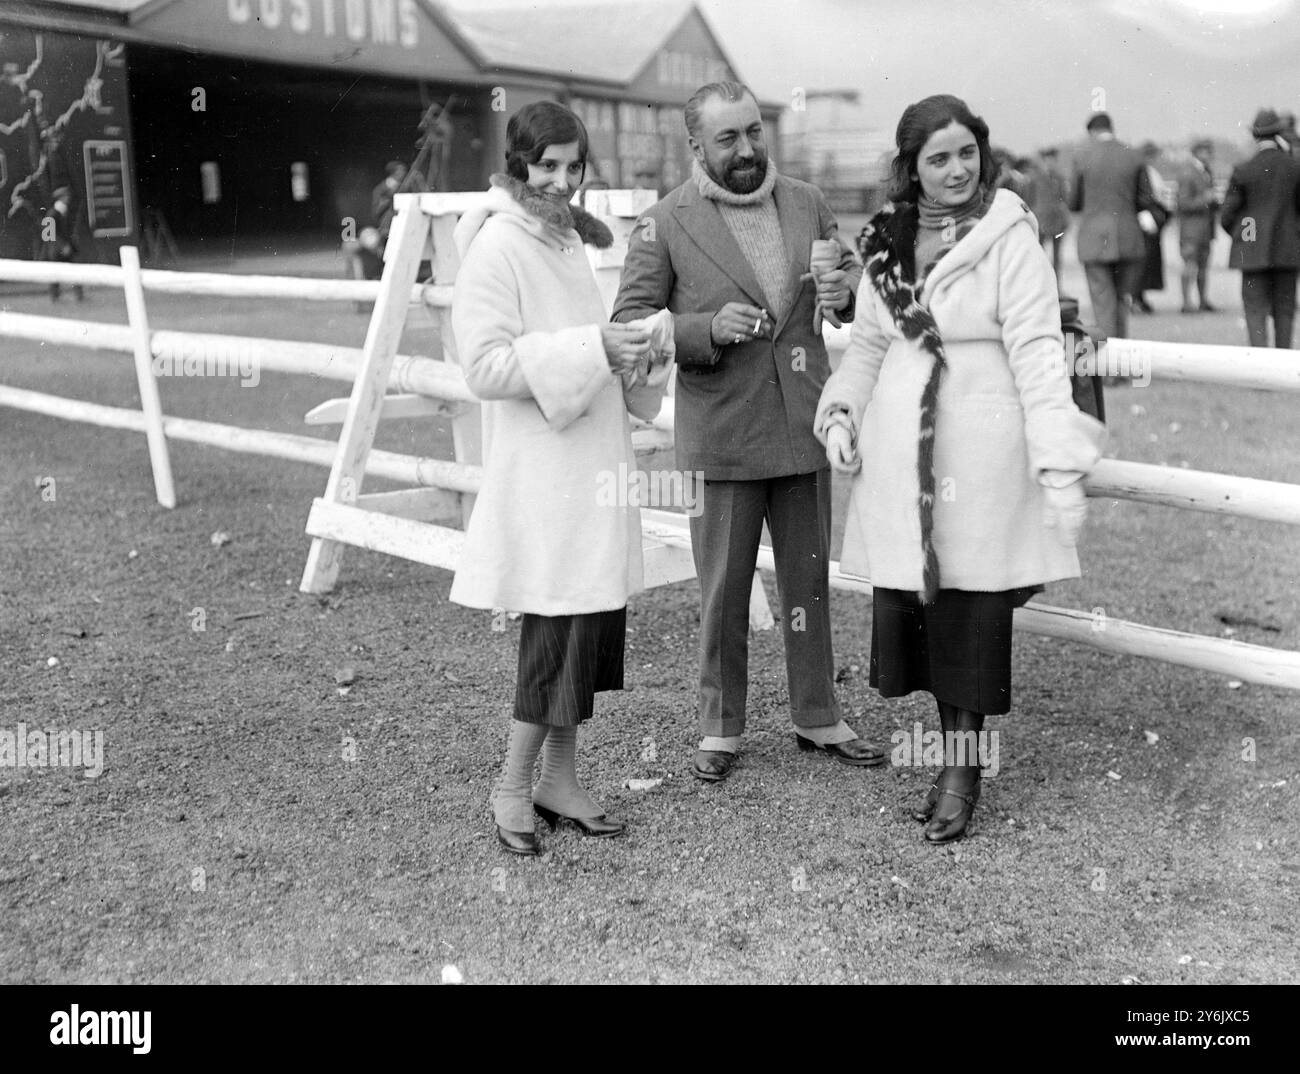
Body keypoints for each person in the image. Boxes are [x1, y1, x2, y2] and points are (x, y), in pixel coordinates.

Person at [814, 94, 1106, 843]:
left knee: (971, 615)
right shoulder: (887, 239)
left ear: (983, 152)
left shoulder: (1010, 235)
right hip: (902, 457)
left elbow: (1041, 351)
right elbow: (872, 347)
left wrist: (1057, 456)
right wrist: (842, 410)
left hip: (981, 451)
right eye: (936, 159)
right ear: (911, 167)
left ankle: (961, 772)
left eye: (965, 153)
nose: (954, 170)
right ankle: (950, 756)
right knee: (925, 616)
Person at [613, 80, 886, 782]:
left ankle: (817, 715)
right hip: (724, 438)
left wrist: (844, 294)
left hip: (803, 427)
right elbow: (629, 324)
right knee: (723, 593)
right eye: (727, 137)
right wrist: (701, 329)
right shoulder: (664, 221)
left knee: (809, 587)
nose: (745, 149)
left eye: (753, 132)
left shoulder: (806, 201)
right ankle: (720, 728)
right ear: (696, 145)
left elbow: (850, 280)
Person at [448, 102, 671, 855]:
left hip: (592, 468)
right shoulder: (496, 246)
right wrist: (589, 347)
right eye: (548, 166)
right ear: (518, 164)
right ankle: (510, 786)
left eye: (574, 166)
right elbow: (483, 366)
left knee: (592, 623)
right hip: (545, 474)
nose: (564, 180)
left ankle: (560, 780)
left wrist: (634, 353)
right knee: (554, 625)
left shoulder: (569, 241)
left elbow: (589, 352)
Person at [1068, 112, 1161, 342]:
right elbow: (1146, 199)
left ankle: (1109, 369)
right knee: (1121, 300)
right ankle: (1120, 362)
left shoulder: (1082, 156)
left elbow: (1074, 203)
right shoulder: (1134, 155)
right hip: (1128, 237)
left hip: (1094, 238)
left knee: (1102, 302)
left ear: (1091, 132)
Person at [1220, 108, 1300, 348]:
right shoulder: (1295, 168)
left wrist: (1247, 235)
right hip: (1288, 251)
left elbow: (1227, 216)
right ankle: (1283, 367)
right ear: (1278, 134)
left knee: (1255, 311)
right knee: (1285, 311)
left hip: (1252, 252)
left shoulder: (1243, 170)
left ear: (1255, 136)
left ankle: (1259, 368)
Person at [1177, 138, 1219, 313]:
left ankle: (1202, 300)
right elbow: (1183, 203)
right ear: (1197, 152)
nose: (1209, 154)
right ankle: (1187, 302)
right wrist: (1206, 200)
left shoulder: (1205, 171)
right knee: (1190, 265)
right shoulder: (1188, 173)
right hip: (1191, 230)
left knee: (1203, 266)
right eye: (1205, 150)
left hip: (1204, 229)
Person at [1131, 141, 1172, 313]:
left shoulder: (1152, 172)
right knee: (1140, 262)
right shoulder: (1140, 172)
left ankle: (1140, 297)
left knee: (1147, 263)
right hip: (1143, 221)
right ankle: (1135, 298)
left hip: (1152, 222)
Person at [1032, 147, 1070, 280]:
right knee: (1039, 255)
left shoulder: (1060, 178)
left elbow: (1065, 198)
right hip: (1041, 221)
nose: (1050, 163)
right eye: (1047, 160)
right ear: (1043, 161)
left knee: (1057, 258)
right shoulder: (1035, 178)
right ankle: (1040, 284)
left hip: (1057, 222)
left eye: (1053, 160)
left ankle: (1056, 286)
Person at [43, 187, 83, 302]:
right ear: (60, 198)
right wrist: (62, 246)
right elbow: (48, 234)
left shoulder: (64, 212)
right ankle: (55, 296)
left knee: (73, 271)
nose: (68, 199)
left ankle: (78, 294)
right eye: (66, 197)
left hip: (66, 249)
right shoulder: (52, 214)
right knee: (56, 274)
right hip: (57, 251)